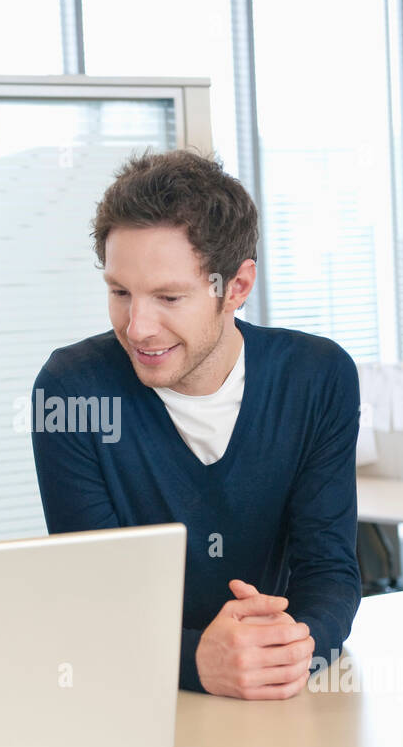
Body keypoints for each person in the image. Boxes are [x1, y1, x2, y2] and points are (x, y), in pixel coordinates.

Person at [31, 149, 360, 700]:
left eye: (168, 297)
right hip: (133, 698)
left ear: (235, 286)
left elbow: (329, 571)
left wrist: (291, 650)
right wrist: (197, 663)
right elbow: (94, 601)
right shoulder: (72, 390)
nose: (137, 327)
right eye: (119, 293)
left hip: (281, 702)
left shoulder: (317, 377)